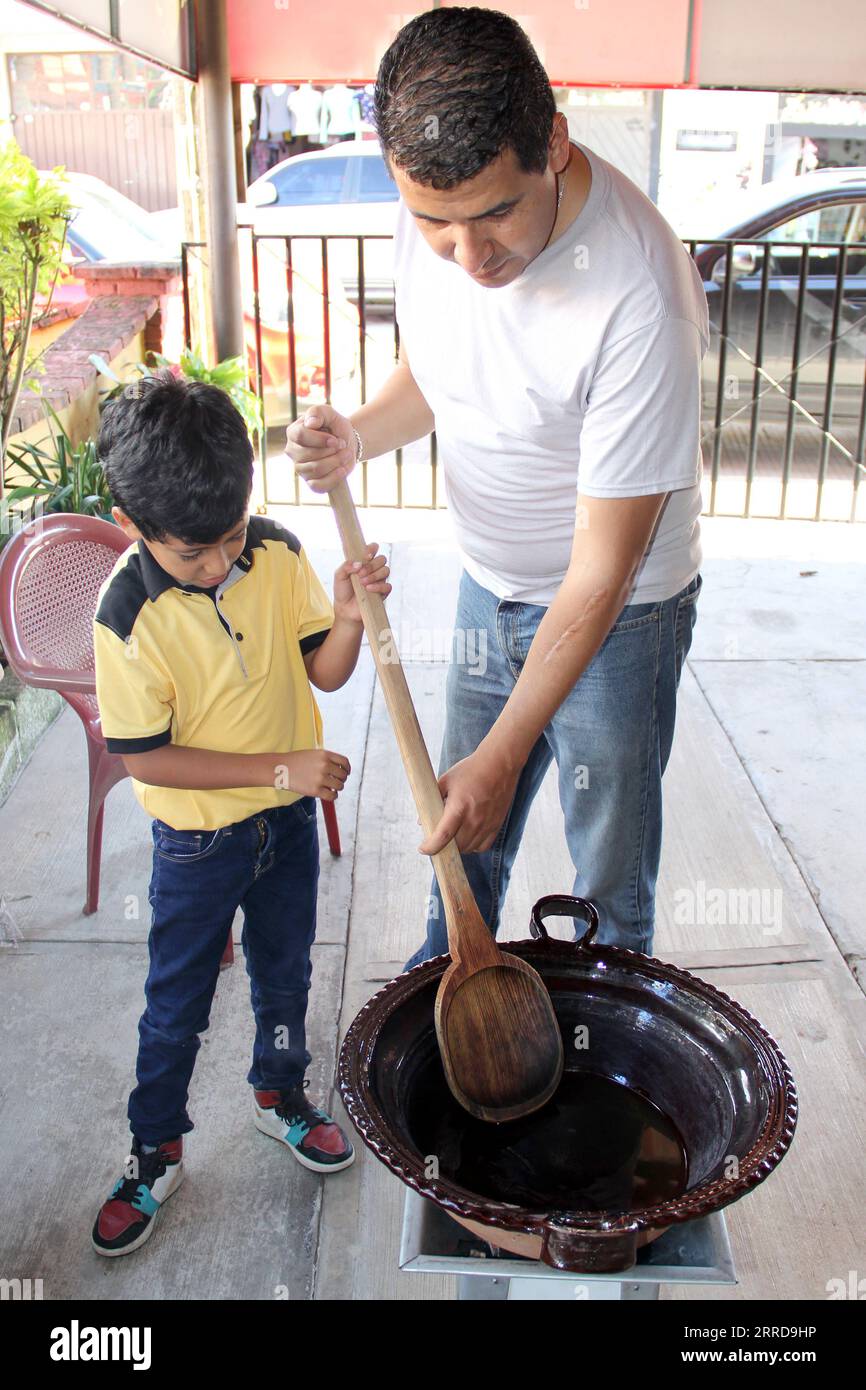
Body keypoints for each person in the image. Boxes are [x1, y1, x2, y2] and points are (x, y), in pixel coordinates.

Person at [284, 7, 708, 967]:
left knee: (605, 868)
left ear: (552, 143)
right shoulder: (431, 214)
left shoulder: (640, 289)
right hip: (489, 583)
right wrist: (356, 435)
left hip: (623, 614)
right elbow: (434, 374)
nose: (469, 259)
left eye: (493, 217)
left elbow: (602, 575)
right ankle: (453, 991)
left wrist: (510, 747)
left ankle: (613, 1022)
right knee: (461, 826)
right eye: (435, 222)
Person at [90, 371, 390, 1257]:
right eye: (194, 553)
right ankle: (154, 1150)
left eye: (230, 537)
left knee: (285, 972)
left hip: (286, 827)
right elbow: (144, 755)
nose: (221, 563)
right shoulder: (126, 614)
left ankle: (280, 1093)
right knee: (175, 1003)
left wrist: (345, 616)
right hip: (197, 843)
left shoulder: (276, 551)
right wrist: (278, 767)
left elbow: (326, 671)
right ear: (132, 524)